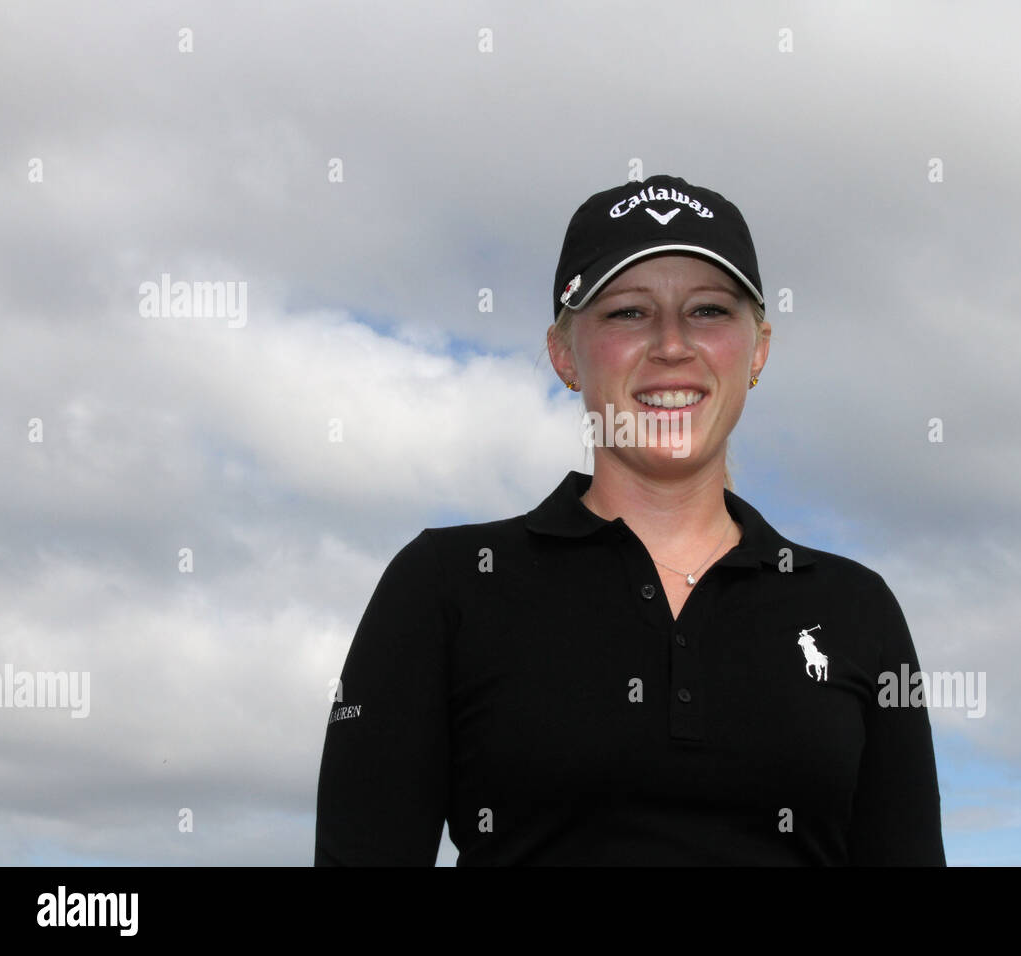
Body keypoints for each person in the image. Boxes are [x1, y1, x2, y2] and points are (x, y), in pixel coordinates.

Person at [314, 173, 945, 866]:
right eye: (626, 313)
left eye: (708, 311)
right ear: (564, 353)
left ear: (758, 349)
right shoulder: (445, 586)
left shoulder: (856, 609)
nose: (672, 345)